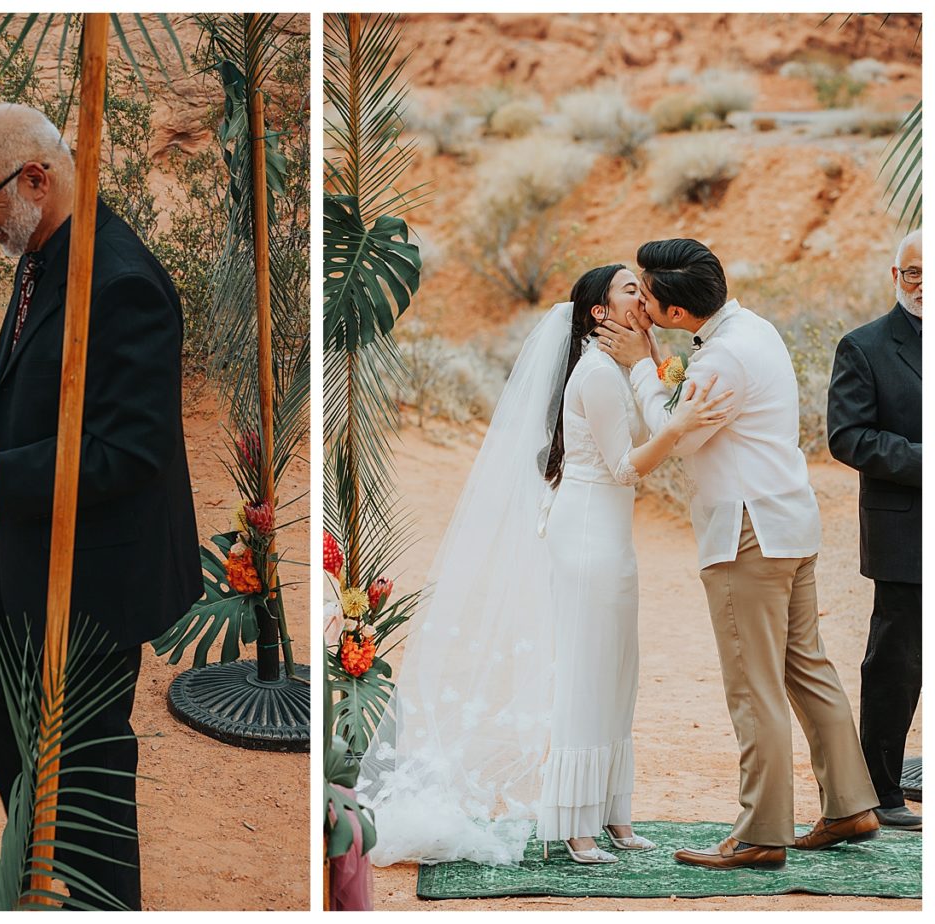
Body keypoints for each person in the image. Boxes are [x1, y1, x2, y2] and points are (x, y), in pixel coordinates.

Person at [353, 266, 729, 870]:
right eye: (630, 289)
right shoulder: (598, 374)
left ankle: (614, 814)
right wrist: (680, 425)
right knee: (586, 674)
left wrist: (658, 368)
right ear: (599, 313)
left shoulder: (625, 366)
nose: (645, 296)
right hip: (586, 534)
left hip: (608, 535)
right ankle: (575, 827)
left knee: (617, 671)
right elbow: (627, 466)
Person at [0, 103, 200, 910]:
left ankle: (100, 893)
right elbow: (30, 387)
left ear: (36, 177)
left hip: (93, 567)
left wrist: (1, 471)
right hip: (26, 548)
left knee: (88, 745)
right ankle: (46, 844)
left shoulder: (121, 282)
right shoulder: (41, 250)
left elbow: (128, 452)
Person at [600, 238, 880, 870]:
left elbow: (675, 437)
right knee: (807, 668)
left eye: (645, 294)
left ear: (675, 314)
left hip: (745, 534)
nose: (638, 301)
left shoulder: (717, 362)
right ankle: (849, 806)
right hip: (790, 522)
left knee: (754, 688)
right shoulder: (755, 328)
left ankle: (760, 835)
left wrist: (643, 365)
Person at [827, 229, 923, 832]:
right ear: (895, 277)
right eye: (913, 273)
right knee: (896, 662)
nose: (923, 284)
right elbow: (848, 437)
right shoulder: (863, 347)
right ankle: (883, 790)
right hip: (908, 532)